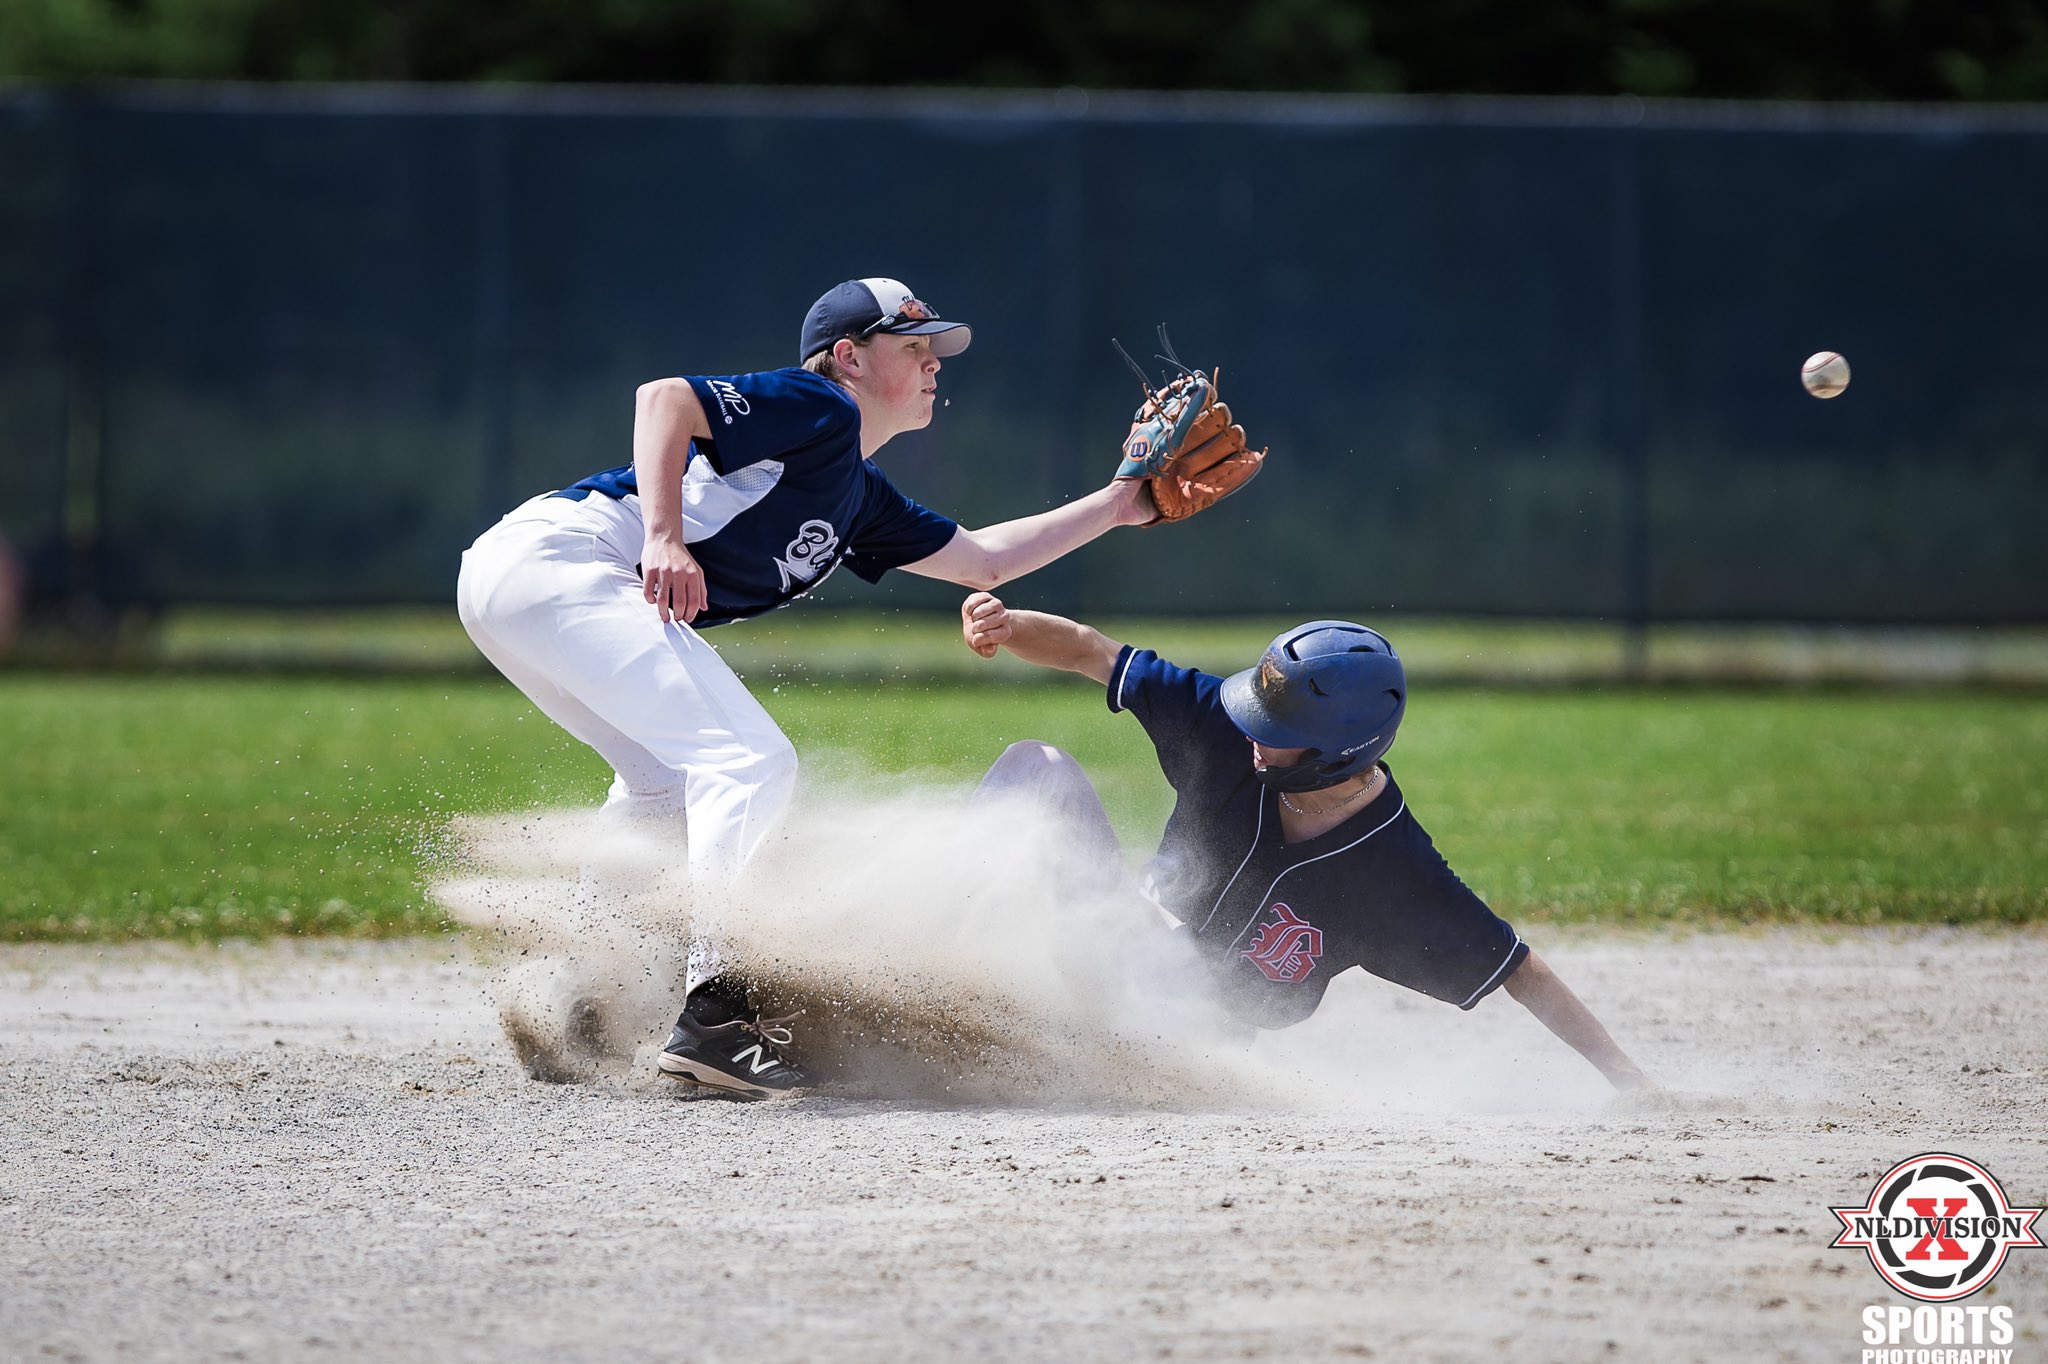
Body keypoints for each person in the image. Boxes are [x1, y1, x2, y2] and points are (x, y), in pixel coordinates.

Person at [456, 278, 1157, 1096]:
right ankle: (719, 1014)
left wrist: (1121, 504)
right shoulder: (823, 408)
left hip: (516, 583)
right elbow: (664, 400)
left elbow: (985, 561)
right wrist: (662, 538)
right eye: (912, 347)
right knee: (749, 762)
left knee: (665, 782)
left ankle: (586, 996)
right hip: (562, 562)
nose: (933, 363)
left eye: (934, 349)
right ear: (849, 358)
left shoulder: (857, 494)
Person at [958, 590, 1657, 1094]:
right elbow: (1092, 651)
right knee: (1035, 768)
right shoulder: (1226, 727)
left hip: (1188, 1043)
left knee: (1163, 975)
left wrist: (1629, 1080)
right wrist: (1008, 623)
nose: (1253, 731)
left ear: (1339, 752)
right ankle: (918, 972)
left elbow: (1517, 967)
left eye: (1277, 727)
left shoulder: (1394, 867)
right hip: (1116, 942)